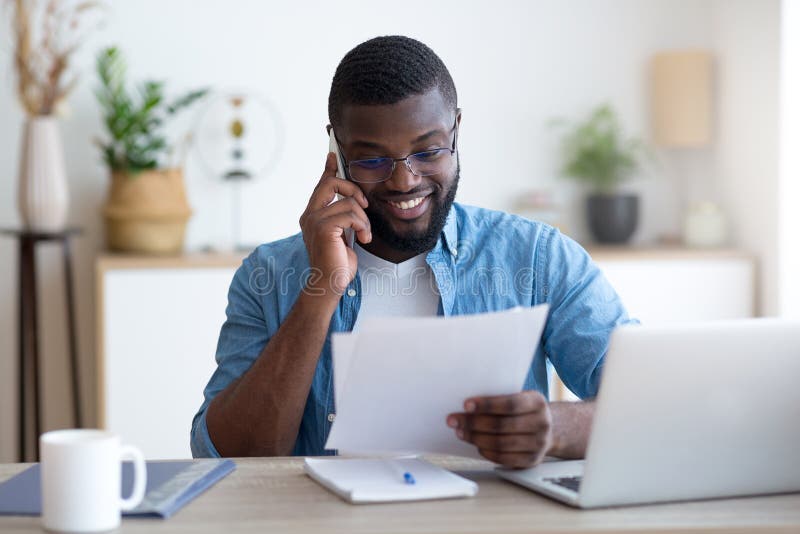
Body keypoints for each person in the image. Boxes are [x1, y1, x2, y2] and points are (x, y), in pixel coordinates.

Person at [191, 35, 634, 469]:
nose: (404, 181)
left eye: (427, 151)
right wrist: (321, 290)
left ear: (456, 130)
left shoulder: (537, 257)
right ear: (336, 148)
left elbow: (647, 402)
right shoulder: (268, 275)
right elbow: (225, 457)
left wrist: (557, 428)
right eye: (372, 160)